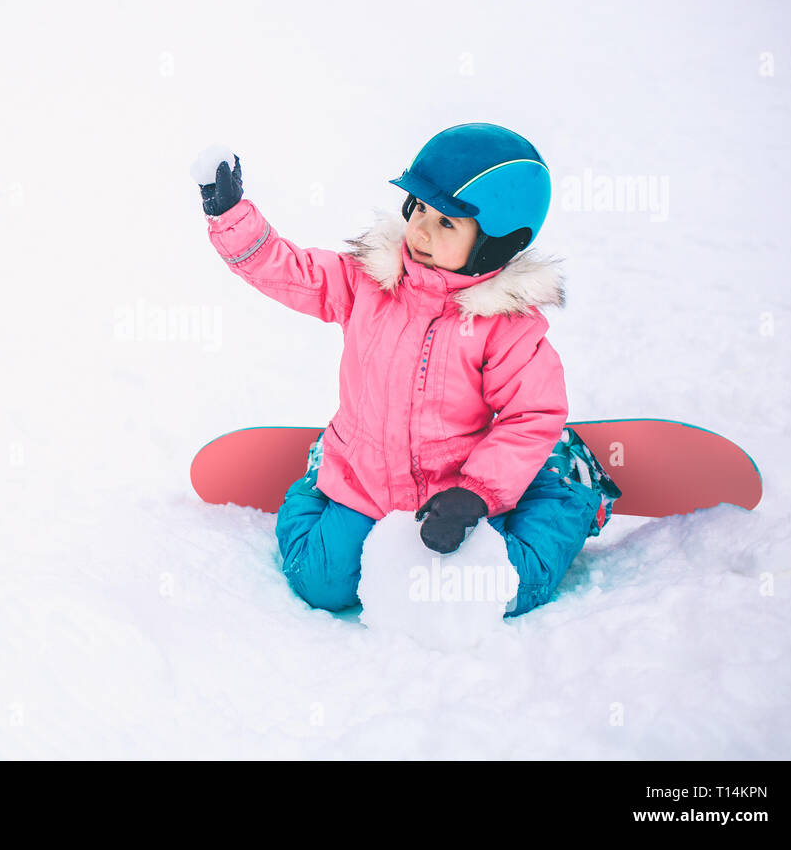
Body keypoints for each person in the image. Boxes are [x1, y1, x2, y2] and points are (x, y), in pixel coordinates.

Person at [196, 123, 621, 617]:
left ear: (496, 243)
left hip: (457, 495)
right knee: (319, 582)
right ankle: (321, 472)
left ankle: (566, 482)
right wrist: (231, 218)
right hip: (367, 479)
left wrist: (475, 495)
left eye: (446, 223)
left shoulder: (506, 327)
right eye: (419, 208)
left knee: (503, 591)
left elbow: (531, 417)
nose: (420, 229)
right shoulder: (372, 281)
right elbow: (293, 272)